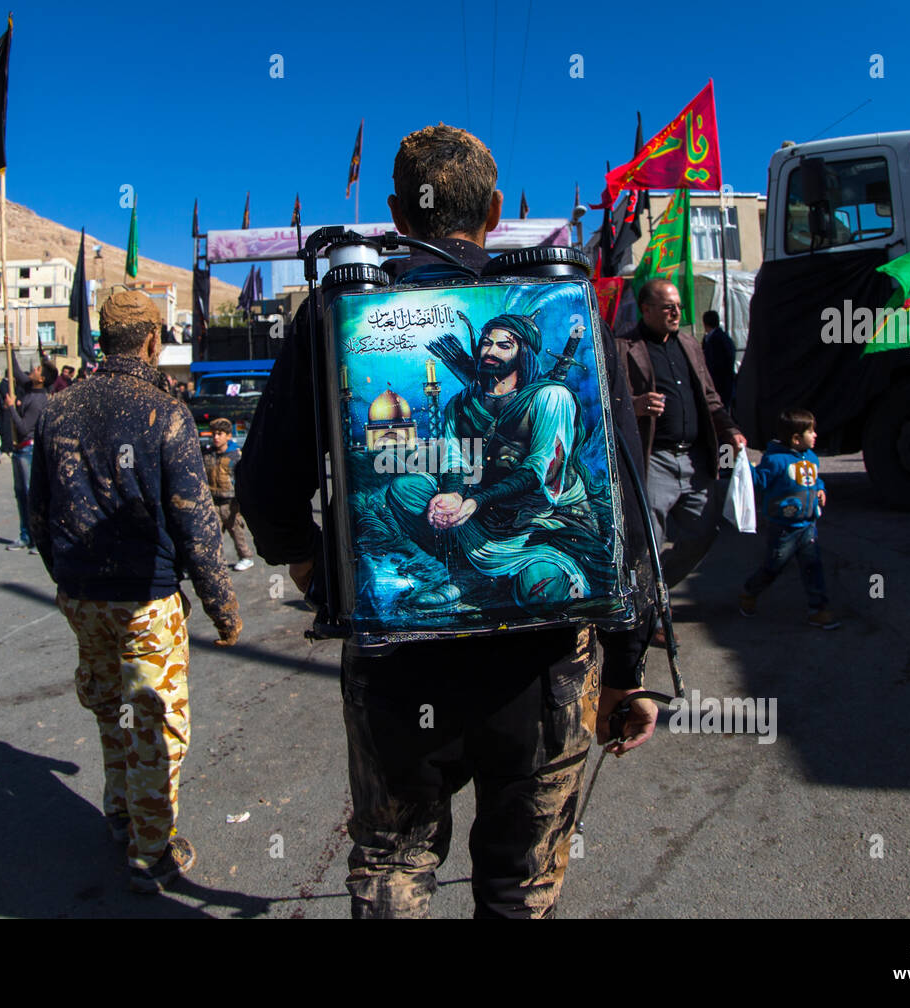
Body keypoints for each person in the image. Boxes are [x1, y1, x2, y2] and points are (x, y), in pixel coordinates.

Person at [237, 123, 660, 919]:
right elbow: (628, 511)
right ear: (497, 212)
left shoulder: (342, 311)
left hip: (402, 659)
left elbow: (264, 489)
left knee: (396, 863)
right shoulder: (568, 302)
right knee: (520, 881)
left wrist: (317, 570)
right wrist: (628, 663)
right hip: (540, 664)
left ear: (398, 212)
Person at [28, 289, 242, 893]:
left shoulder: (59, 411)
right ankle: (151, 852)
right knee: (153, 721)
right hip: (144, 600)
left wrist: (67, 580)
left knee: (109, 707)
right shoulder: (164, 413)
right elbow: (197, 525)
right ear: (152, 340)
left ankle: (120, 813)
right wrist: (223, 608)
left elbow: (37, 515)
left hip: (80, 594)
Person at [382, 313, 608, 609]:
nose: (490, 351)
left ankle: (509, 580)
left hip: (539, 522)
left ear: (523, 351)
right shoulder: (462, 404)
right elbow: (455, 460)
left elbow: (538, 472)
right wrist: (452, 494)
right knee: (405, 490)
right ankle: (466, 574)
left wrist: (476, 502)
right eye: (486, 344)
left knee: (541, 594)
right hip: (481, 516)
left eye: (504, 345)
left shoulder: (550, 397)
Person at [621, 279, 745, 645]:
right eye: (667, 307)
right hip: (654, 459)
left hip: (694, 459)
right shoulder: (624, 347)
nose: (676, 312)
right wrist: (636, 404)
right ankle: (654, 616)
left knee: (703, 532)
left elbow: (710, 397)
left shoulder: (690, 343)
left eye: (677, 306)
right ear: (646, 310)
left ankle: (653, 589)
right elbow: (606, 403)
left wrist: (731, 431)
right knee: (649, 544)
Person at [737, 408, 839, 629]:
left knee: (813, 567)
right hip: (783, 529)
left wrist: (820, 490)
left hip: (808, 525)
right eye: (810, 432)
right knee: (773, 567)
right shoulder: (775, 461)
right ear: (795, 438)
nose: (815, 436)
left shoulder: (811, 457)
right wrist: (744, 465)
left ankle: (818, 610)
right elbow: (758, 482)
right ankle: (749, 592)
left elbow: (815, 481)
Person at [4, 365, 49, 552]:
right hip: (19, 450)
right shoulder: (30, 390)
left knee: (32, 496)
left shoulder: (39, 400)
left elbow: (23, 429)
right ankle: (25, 535)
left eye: (38, 369)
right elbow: (16, 369)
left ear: (42, 379)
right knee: (21, 494)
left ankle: (38, 538)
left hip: (28, 449)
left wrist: (12, 408)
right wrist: (10, 345)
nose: (34, 369)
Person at [203, 418, 255, 571]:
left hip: (230, 503)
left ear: (228, 436)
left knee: (236, 532)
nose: (216, 438)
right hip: (212, 501)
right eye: (214, 434)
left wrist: (241, 500)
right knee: (212, 535)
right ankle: (214, 561)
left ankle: (246, 557)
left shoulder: (235, 455)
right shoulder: (208, 454)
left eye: (220, 434)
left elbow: (242, 479)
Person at [701, 309, 737, 411]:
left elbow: (728, 358)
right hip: (717, 381)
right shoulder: (709, 338)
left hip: (722, 382)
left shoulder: (719, 338)